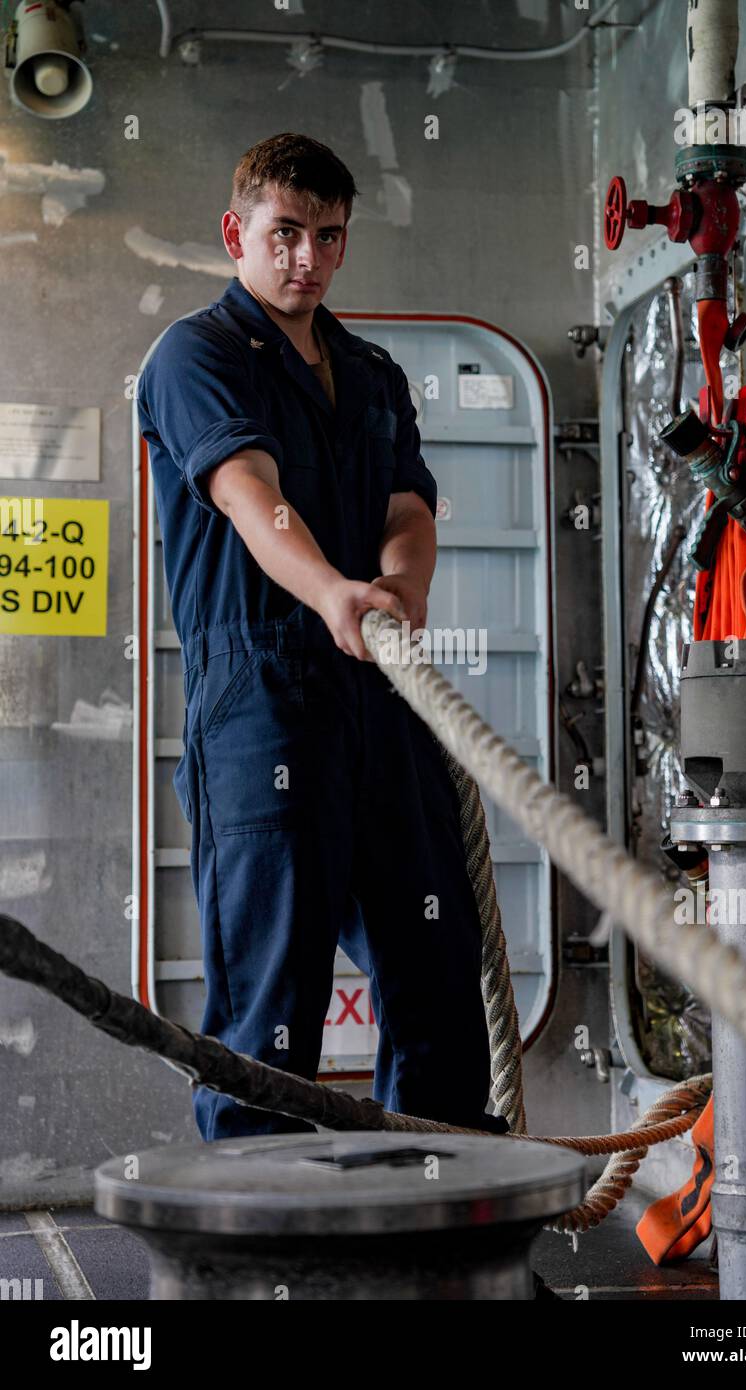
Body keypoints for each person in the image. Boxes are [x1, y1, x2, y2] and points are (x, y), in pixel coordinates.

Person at [137, 132, 508, 1141]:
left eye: (327, 237)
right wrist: (334, 593)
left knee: (436, 959)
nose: (305, 257)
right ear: (237, 233)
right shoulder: (195, 354)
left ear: (344, 245)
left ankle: (440, 1231)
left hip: (379, 695)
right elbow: (250, 498)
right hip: (262, 696)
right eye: (284, 233)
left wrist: (398, 583)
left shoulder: (374, 374)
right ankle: (259, 1265)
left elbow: (409, 508)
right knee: (275, 997)